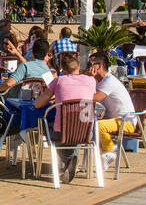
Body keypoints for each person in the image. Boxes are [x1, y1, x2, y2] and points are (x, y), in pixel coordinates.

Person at [34, 52, 96, 181]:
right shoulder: (91, 80)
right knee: (75, 128)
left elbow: (38, 104)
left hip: (63, 132)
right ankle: (71, 162)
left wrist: (53, 96)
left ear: (63, 70)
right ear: (79, 66)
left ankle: (68, 161)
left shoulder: (59, 80)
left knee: (46, 126)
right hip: (86, 131)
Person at [86, 51, 139, 162]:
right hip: (112, 119)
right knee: (89, 125)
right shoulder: (98, 80)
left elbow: (94, 98)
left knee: (97, 126)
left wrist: (89, 78)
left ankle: (109, 149)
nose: (88, 68)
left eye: (90, 65)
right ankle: (100, 157)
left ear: (99, 66)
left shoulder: (109, 80)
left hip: (126, 121)